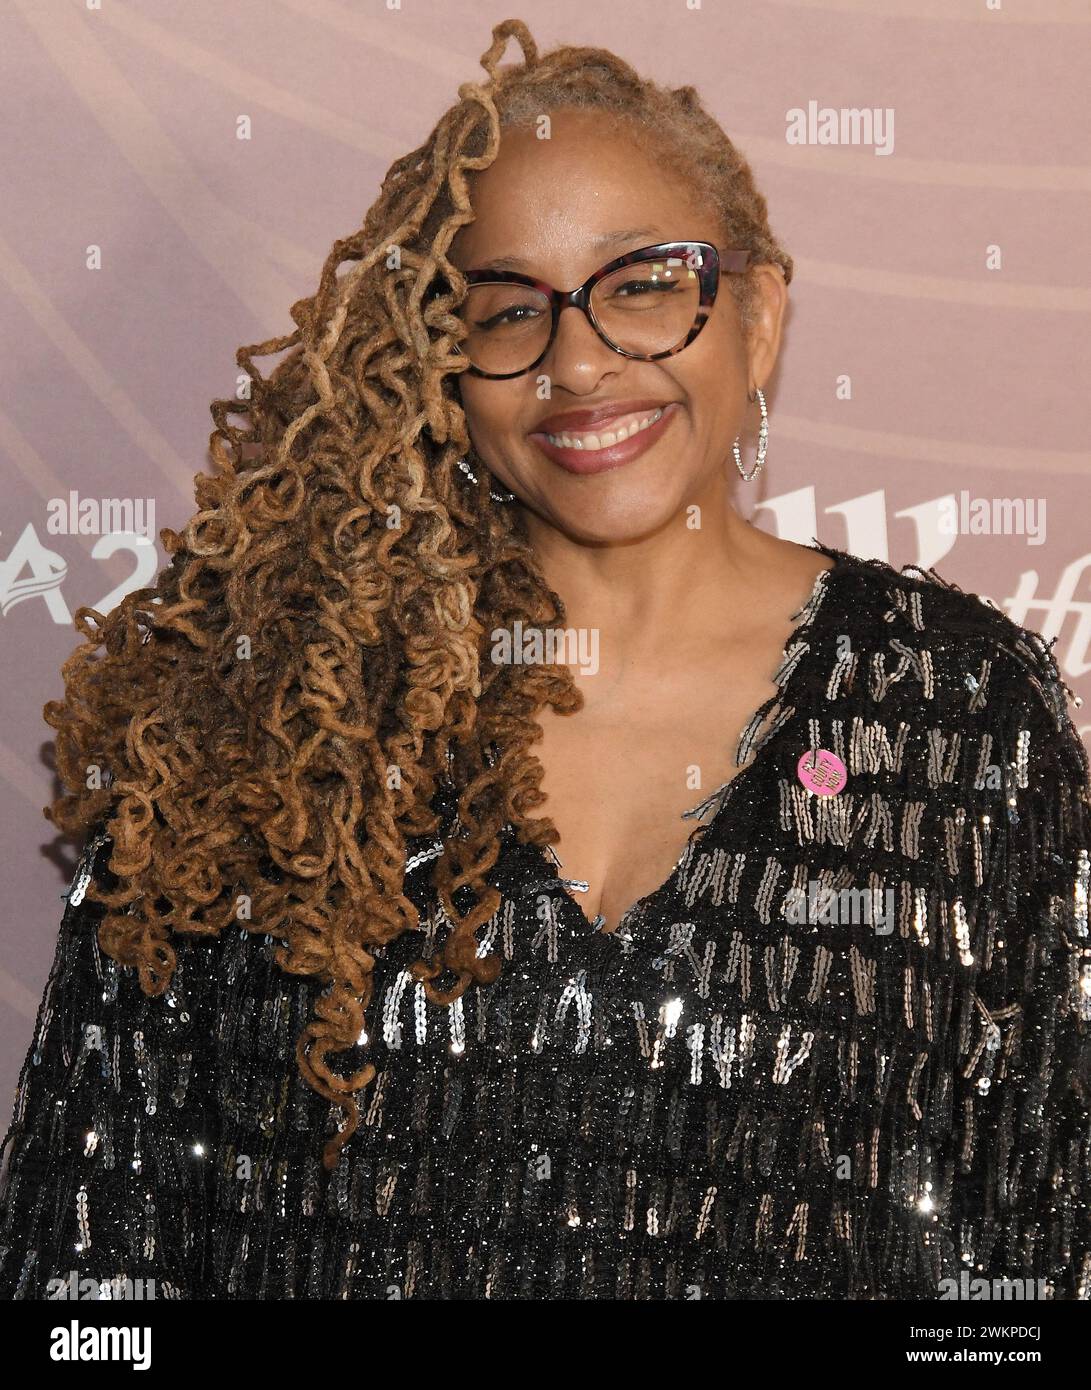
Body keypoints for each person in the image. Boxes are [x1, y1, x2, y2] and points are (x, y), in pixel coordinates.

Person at [1, 17, 1088, 1302]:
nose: (576, 363)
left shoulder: (962, 709)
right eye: (507, 310)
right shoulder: (270, 724)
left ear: (760, 313)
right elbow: (86, 1285)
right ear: (437, 370)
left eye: (641, 284)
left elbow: (1036, 1254)